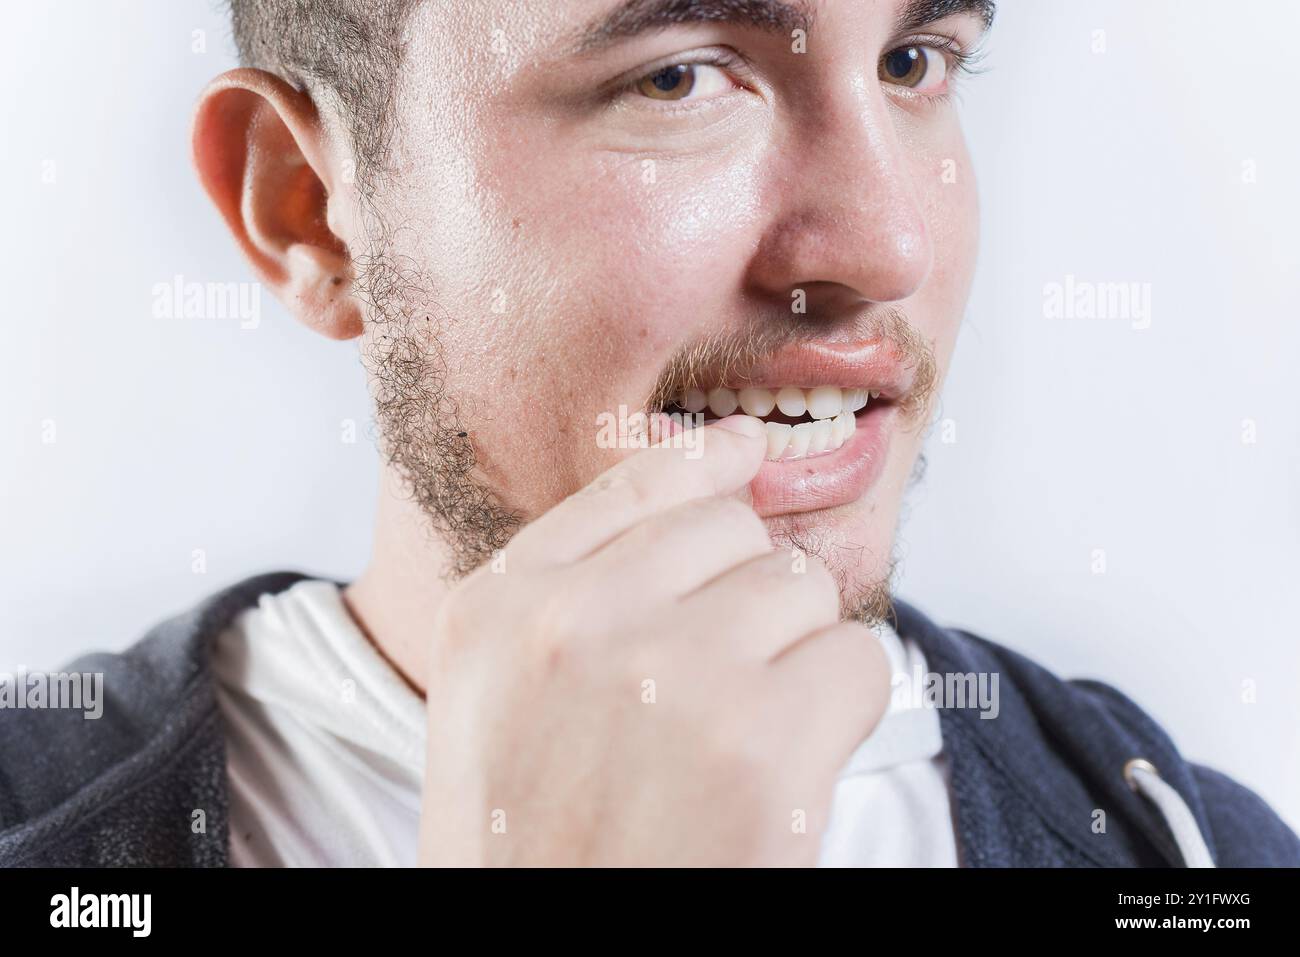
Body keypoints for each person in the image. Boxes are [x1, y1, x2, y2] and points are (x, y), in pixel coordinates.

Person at [2, 0, 1296, 867]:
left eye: (915, 60)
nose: (886, 245)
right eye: (678, 76)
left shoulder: (1189, 846)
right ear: (311, 212)